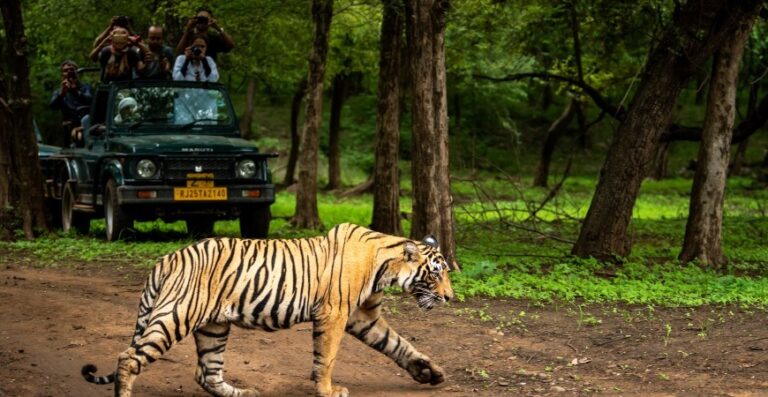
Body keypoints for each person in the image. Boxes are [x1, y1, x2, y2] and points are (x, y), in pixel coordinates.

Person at [49, 60, 93, 147]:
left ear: (77, 72)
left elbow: (90, 100)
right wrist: (62, 94)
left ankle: (89, 144)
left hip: (87, 123)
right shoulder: (59, 92)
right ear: (62, 74)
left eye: (72, 70)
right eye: (66, 71)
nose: (69, 72)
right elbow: (53, 106)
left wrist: (76, 91)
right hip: (69, 126)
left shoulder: (86, 87)